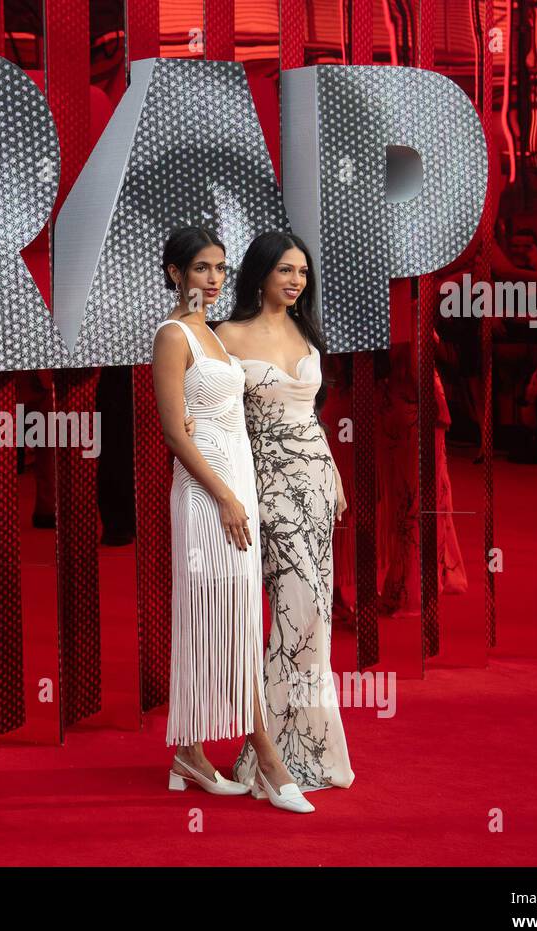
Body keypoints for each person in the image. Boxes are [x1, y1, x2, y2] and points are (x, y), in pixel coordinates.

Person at [152, 225, 313, 812]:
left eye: (220, 268)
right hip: (205, 496)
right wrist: (221, 495)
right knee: (220, 619)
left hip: (236, 486)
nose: (214, 279)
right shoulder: (174, 335)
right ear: (176, 274)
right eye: (201, 268)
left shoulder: (214, 336)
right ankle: (266, 758)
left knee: (234, 617)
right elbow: (174, 431)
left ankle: (189, 752)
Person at [211, 230, 355, 795]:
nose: (295, 281)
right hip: (266, 485)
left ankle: (302, 751)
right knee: (294, 612)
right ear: (261, 275)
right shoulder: (228, 335)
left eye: (301, 271)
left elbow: (309, 417)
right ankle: (269, 756)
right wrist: (229, 491)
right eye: (284, 271)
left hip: (317, 479)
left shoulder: (304, 330)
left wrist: (336, 471)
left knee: (316, 615)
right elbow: (218, 419)